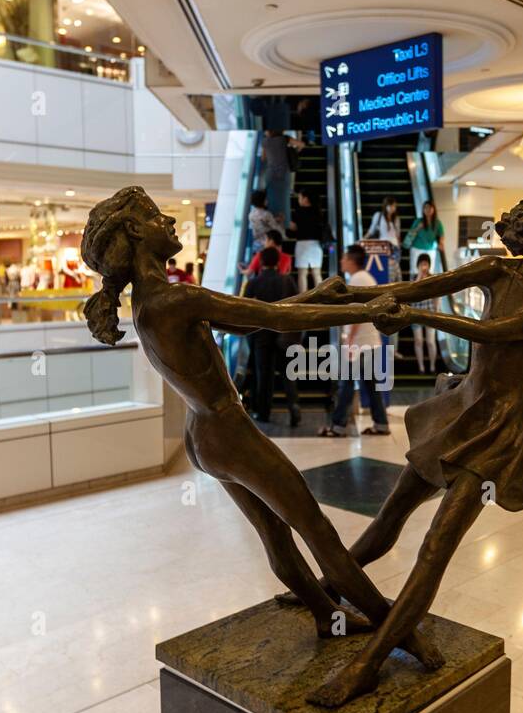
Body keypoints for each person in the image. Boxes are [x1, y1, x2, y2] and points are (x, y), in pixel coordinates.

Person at [80, 186, 438, 665]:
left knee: (275, 533)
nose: (168, 220)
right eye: (153, 215)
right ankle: (397, 631)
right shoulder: (175, 298)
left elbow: (249, 321)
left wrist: (318, 295)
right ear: (134, 230)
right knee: (319, 530)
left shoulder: (153, 302)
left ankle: (324, 614)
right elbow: (271, 320)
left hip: (202, 436)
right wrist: (364, 310)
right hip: (228, 432)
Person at [304, 185, 523, 706]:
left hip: (499, 434)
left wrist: (410, 318)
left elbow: (491, 335)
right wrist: (349, 296)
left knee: (436, 549)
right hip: (459, 411)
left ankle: (367, 664)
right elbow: (421, 288)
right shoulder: (499, 271)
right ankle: (328, 590)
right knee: (388, 518)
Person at [317, 246, 390, 437]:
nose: (341, 260)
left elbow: (359, 314)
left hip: (360, 344)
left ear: (351, 260)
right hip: (369, 342)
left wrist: (349, 341)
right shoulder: (367, 279)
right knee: (370, 386)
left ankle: (337, 426)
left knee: (347, 385)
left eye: (343, 257)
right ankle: (381, 424)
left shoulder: (358, 280)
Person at [242, 245, 302, 426]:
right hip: (285, 335)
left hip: (261, 336)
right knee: (288, 373)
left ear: (260, 261)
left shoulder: (253, 283)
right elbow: (298, 306)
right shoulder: (288, 281)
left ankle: (263, 413)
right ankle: (294, 407)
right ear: (278, 262)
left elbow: (244, 310)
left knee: (264, 375)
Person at [287, 190, 328, 292]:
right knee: (317, 273)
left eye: (300, 198)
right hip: (316, 245)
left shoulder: (298, 212)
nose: (299, 200)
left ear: (305, 199)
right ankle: (321, 296)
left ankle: (303, 298)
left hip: (302, 244)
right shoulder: (318, 212)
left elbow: (293, 228)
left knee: (302, 273)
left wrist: (285, 221)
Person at [410, 253, 438, 373]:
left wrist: (437, 311)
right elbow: (412, 291)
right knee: (418, 341)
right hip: (416, 312)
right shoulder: (414, 278)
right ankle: (421, 366)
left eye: (425, 264)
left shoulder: (433, 278)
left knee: (430, 341)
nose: (424, 266)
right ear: (418, 266)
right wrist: (420, 276)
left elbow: (437, 296)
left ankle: (432, 365)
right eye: (421, 264)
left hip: (430, 311)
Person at [247, 189, 282, 253]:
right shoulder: (266, 214)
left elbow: (261, 223)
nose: (267, 200)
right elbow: (276, 228)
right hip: (267, 244)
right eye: (266, 199)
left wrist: (274, 219)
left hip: (256, 244)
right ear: (262, 201)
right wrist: (280, 222)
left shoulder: (251, 214)